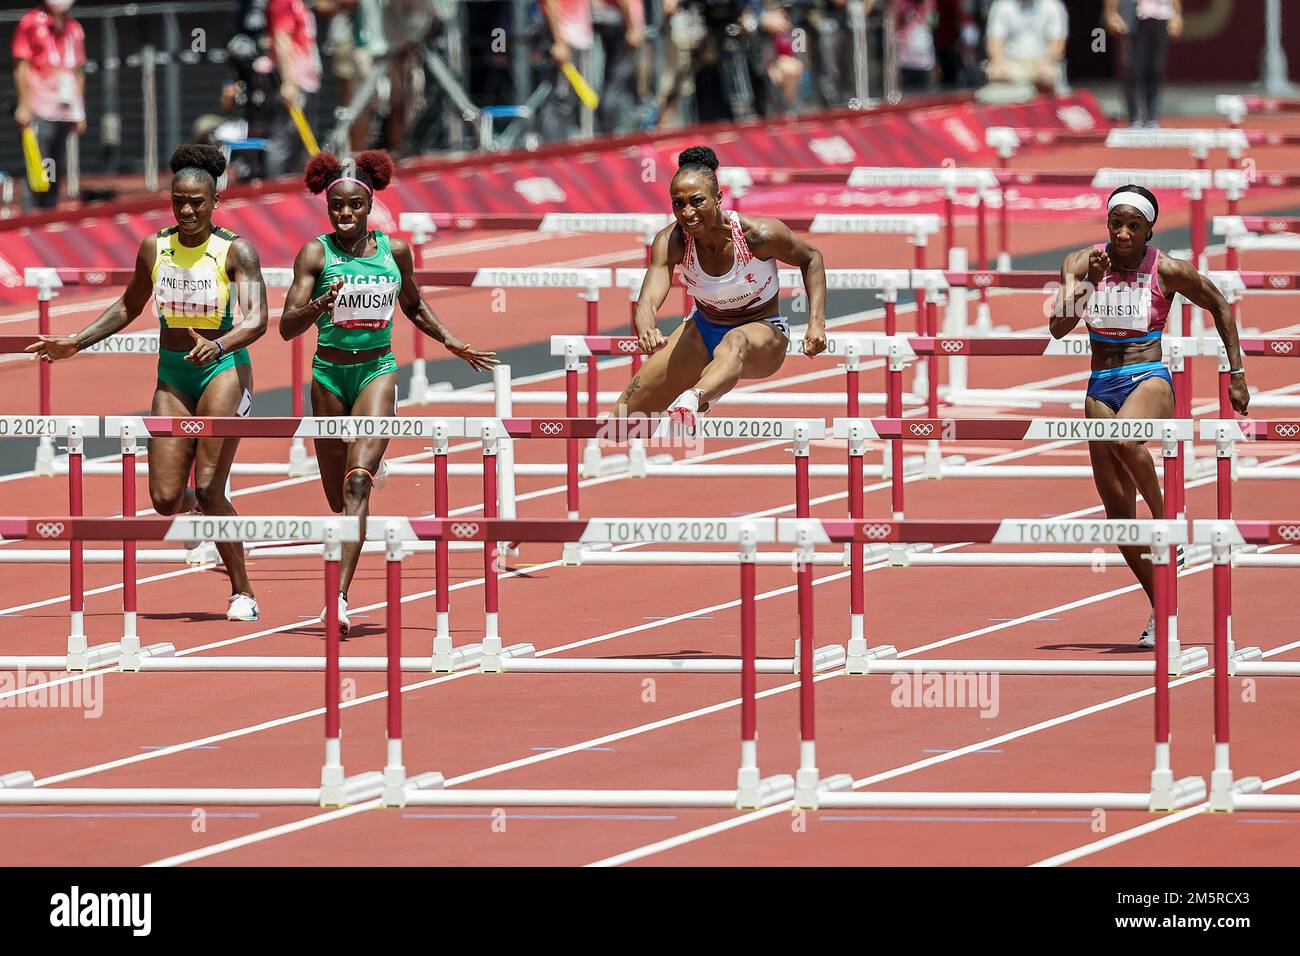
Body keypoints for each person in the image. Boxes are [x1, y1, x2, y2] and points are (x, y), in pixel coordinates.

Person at [26, 145, 268, 621]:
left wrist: (219, 345)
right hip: (173, 373)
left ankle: (243, 591)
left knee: (211, 483)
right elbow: (127, 306)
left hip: (223, 367)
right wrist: (76, 342)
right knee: (163, 500)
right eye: (179, 200)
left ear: (215, 201)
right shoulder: (155, 247)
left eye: (197, 201)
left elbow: (257, 318)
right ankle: (204, 504)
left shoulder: (236, 250)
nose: (188, 209)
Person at [279, 150, 497, 634]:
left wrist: (451, 340)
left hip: (376, 370)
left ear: (369, 204)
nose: (345, 215)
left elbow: (415, 306)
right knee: (338, 500)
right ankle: (368, 463)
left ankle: (336, 597)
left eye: (354, 206)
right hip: (328, 376)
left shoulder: (393, 252)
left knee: (356, 482)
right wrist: (320, 302)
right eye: (336, 207)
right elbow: (287, 328)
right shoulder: (316, 254)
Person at [1051, 184, 1249, 648]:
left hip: (1148, 377)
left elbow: (1220, 304)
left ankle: (1168, 526)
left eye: (1133, 226)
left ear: (1149, 231)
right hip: (1100, 383)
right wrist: (1087, 287)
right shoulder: (1080, 263)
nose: (1122, 233)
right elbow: (1058, 330)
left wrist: (1236, 372)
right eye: (1116, 223)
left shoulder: (1169, 270)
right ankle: (1164, 607)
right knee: (1118, 518)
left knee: (1125, 441)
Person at [615, 146, 828, 426]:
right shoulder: (672, 242)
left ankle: (694, 398)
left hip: (762, 331)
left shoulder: (757, 235)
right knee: (622, 422)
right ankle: (698, 394)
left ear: (718, 198)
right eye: (678, 203)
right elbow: (647, 300)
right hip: (704, 327)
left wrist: (816, 323)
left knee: (734, 342)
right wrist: (646, 329)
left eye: (697, 201)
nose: (687, 212)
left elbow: (811, 258)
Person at [11, 0, 86, 212]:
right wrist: (24, 105)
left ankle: (49, 213)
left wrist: (80, 111)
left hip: (64, 109)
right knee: (38, 166)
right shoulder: (31, 23)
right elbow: (21, 67)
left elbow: (78, 71)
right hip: (39, 106)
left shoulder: (73, 28)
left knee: (55, 165)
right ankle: (31, 214)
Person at [1104, 0, 1182, 129]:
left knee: (1156, 68)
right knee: (1133, 68)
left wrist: (1177, 14)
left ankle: (1152, 117)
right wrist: (1110, 13)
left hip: (1160, 16)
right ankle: (1134, 117)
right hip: (1133, 17)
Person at [266, 0, 322, 177]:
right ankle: (276, 189)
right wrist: (289, 82)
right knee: (286, 141)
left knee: (302, 144)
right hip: (295, 82)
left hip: (307, 81)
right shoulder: (283, 2)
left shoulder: (299, 4)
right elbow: (282, 40)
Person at [982, 0, 1067, 95]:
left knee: (1050, 78)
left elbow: (1058, 43)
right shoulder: (1002, 6)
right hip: (1013, 64)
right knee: (994, 74)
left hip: (1043, 63)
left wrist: (1046, 63)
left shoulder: (1053, 5)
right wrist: (999, 63)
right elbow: (994, 42)